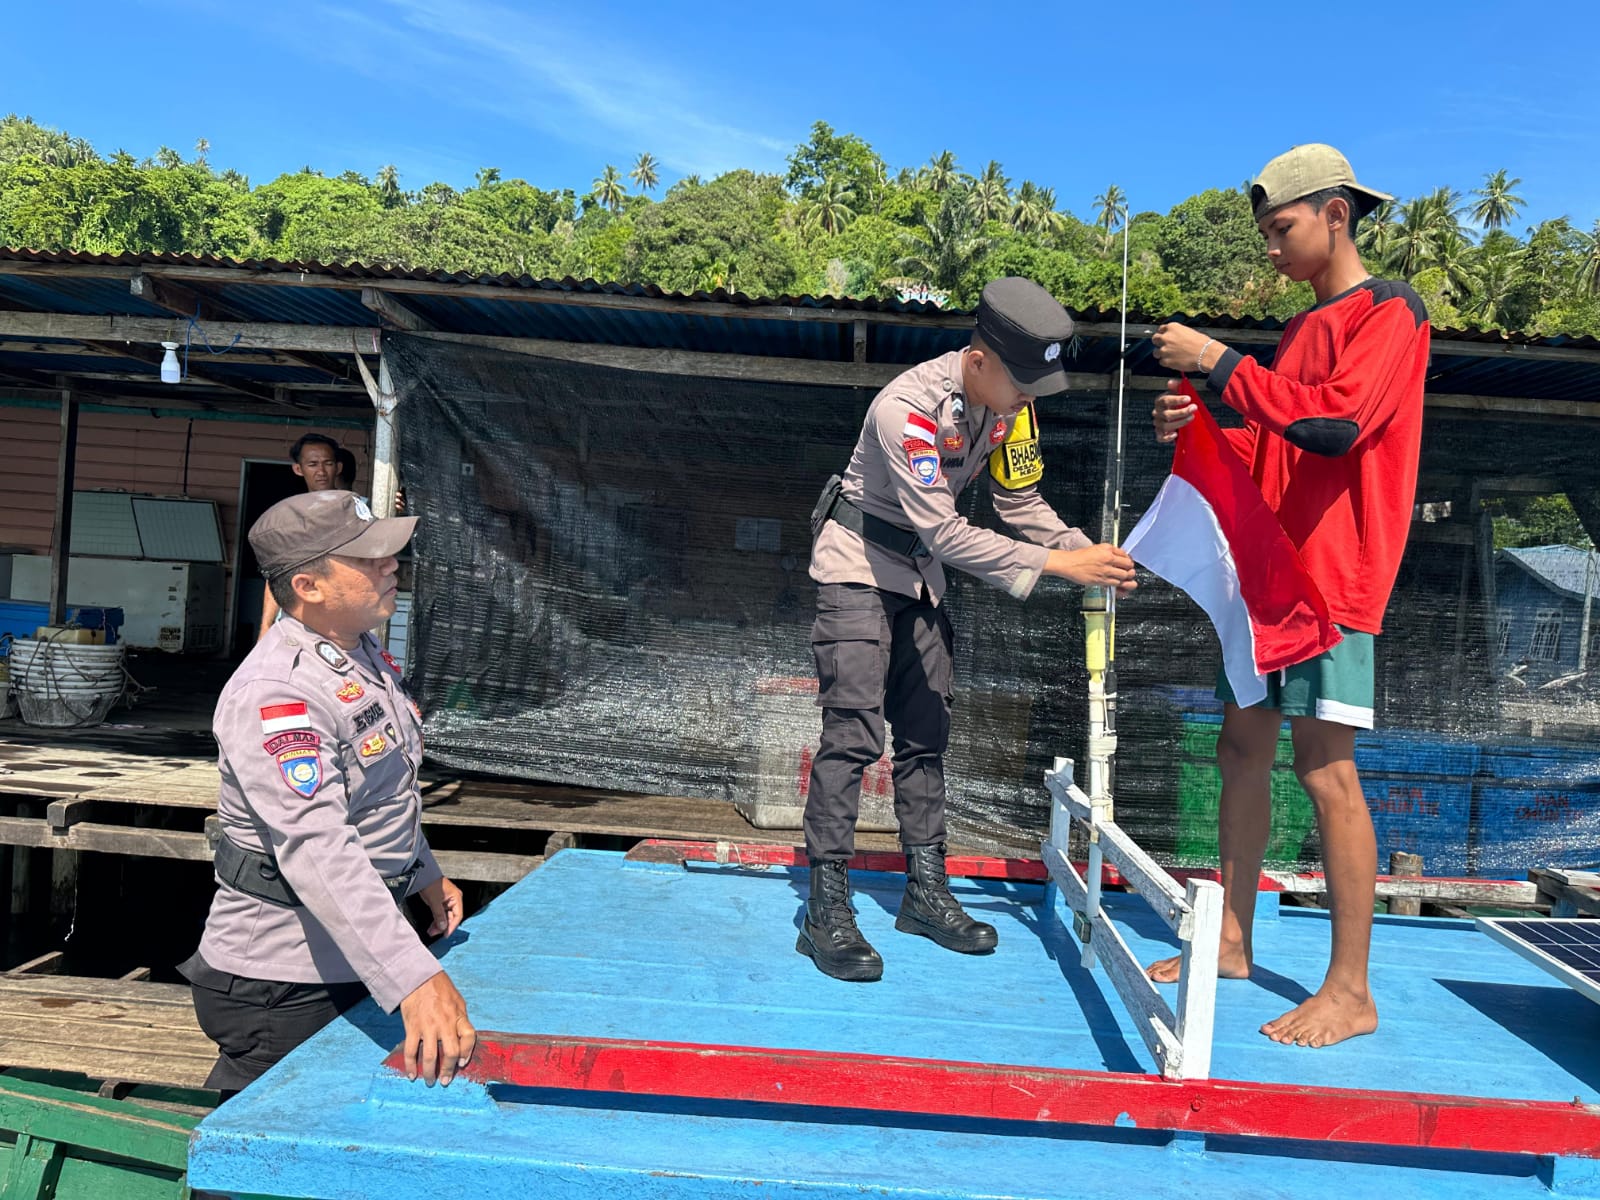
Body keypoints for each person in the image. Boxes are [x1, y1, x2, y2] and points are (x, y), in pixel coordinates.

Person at [1145, 144, 1430, 1048]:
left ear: (1335, 213)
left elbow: (1334, 426)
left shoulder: (1390, 310)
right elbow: (1277, 445)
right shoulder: (1303, 332)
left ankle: (1351, 990)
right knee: (1240, 748)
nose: (1270, 248)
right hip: (1270, 578)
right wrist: (1204, 426)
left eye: (1282, 229)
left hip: (1333, 582)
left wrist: (1218, 360)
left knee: (1324, 769)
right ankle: (1231, 938)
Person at [799, 275, 1138, 982]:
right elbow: (946, 531)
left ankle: (925, 891)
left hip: (920, 577)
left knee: (926, 736)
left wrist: (1085, 552)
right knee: (854, 734)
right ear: (980, 361)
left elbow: (1020, 500)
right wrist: (1058, 566)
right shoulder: (908, 411)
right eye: (1022, 384)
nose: (1029, 400)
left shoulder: (1010, 406)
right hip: (859, 570)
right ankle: (825, 907)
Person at [181, 490, 475, 1095]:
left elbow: (386, 790)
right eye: (369, 559)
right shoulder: (277, 692)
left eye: (389, 554)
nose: (391, 565)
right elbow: (317, 848)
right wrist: (413, 978)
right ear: (309, 587)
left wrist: (422, 874)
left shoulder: (359, 650)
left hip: (346, 953)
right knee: (258, 1157)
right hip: (284, 978)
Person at [257, 434, 346, 642]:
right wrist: (265, 626)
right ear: (299, 469)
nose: (321, 472)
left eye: (328, 463)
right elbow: (277, 574)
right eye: (313, 464)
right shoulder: (289, 517)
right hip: (297, 620)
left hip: (342, 619)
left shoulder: (355, 509)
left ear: (338, 467)